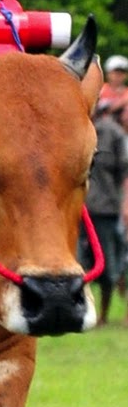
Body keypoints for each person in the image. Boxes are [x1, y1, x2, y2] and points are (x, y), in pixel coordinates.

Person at [79, 96, 128, 325]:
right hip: (85, 208)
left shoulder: (111, 134)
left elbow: (124, 171)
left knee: (104, 263)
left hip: (103, 208)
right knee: (84, 262)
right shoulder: (76, 129)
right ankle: (93, 314)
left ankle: (103, 316)